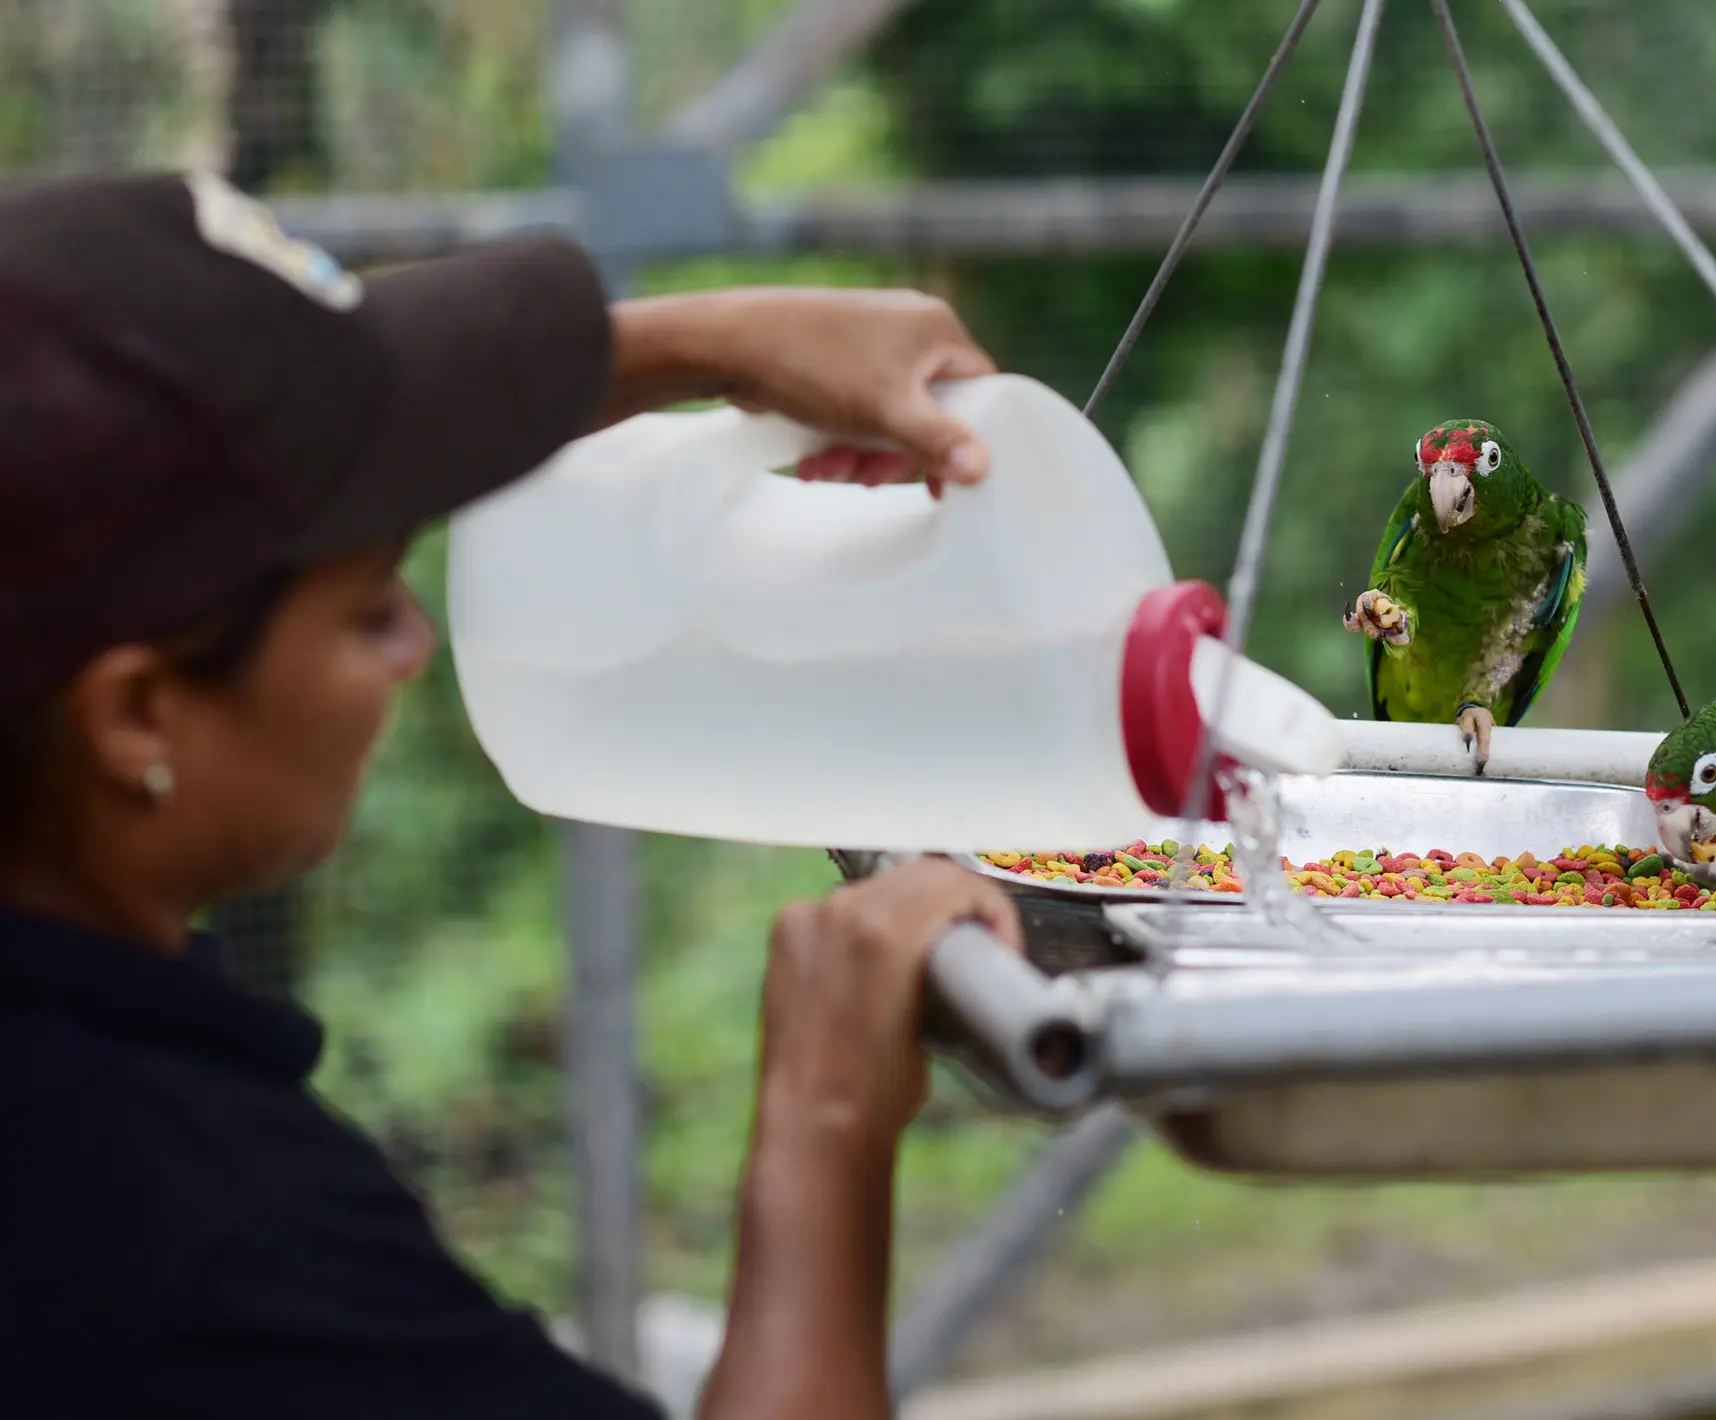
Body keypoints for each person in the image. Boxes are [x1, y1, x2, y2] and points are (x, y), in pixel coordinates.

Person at [0, 170, 1027, 1418]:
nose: (412, 646)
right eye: (368, 603)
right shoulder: (190, 1227)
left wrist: (698, 343)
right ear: (137, 715)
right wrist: (826, 1111)